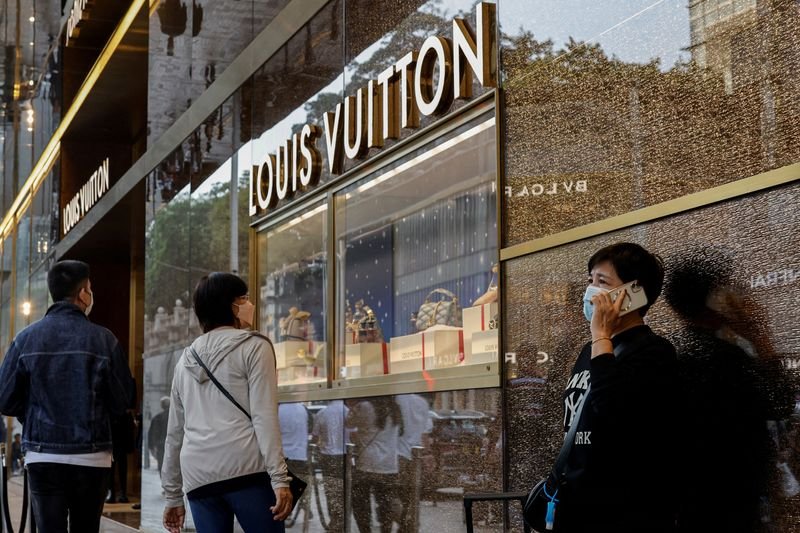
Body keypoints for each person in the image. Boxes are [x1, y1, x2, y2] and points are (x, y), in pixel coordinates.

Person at [663, 246, 795, 532]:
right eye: (732, 286)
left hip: (690, 502)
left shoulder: (668, 349)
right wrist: (761, 338)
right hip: (727, 504)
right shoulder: (721, 357)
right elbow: (780, 402)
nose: (743, 294)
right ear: (716, 298)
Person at [0, 260, 136, 532]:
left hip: (42, 454)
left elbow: (5, 399)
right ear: (83, 293)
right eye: (90, 288)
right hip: (92, 456)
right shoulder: (104, 340)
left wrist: (34, 415)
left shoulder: (25, 339)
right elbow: (124, 400)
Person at [558, 242, 677, 532]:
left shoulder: (653, 351)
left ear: (633, 294)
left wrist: (601, 336)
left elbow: (611, 409)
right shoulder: (590, 350)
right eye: (590, 280)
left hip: (620, 511)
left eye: (602, 282)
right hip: (576, 503)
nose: (591, 291)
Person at [161, 272, 292, 533]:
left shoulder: (185, 360)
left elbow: (174, 433)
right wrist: (280, 478)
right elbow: (264, 416)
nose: (249, 303)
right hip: (246, 471)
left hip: (199, 478)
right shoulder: (254, 346)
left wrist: (173, 495)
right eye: (244, 298)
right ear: (231, 305)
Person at [346, 396, 404, 533]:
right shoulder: (395, 408)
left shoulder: (364, 406)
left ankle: (365, 530)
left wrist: (352, 407)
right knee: (385, 506)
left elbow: (348, 423)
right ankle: (386, 530)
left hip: (367, 463)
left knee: (361, 504)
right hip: (389, 465)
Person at [394, 394, 431, 532]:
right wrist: (427, 455)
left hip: (396, 455)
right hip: (416, 456)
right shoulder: (422, 402)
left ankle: (406, 525)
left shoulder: (395, 399)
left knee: (393, 495)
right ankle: (411, 525)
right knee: (412, 497)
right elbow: (425, 434)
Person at [312, 400, 349, 531]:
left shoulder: (323, 413)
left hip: (328, 457)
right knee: (344, 490)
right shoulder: (348, 412)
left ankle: (335, 520)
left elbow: (315, 437)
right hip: (345, 456)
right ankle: (342, 521)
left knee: (331, 491)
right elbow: (355, 435)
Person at [147, 397, 170, 478]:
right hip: (173, 445)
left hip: (161, 447)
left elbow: (152, 433)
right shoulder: (175, 417)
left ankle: (164, 484)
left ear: (162, 406)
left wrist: (152, 447)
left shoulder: (157, 418)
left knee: (162, 466)